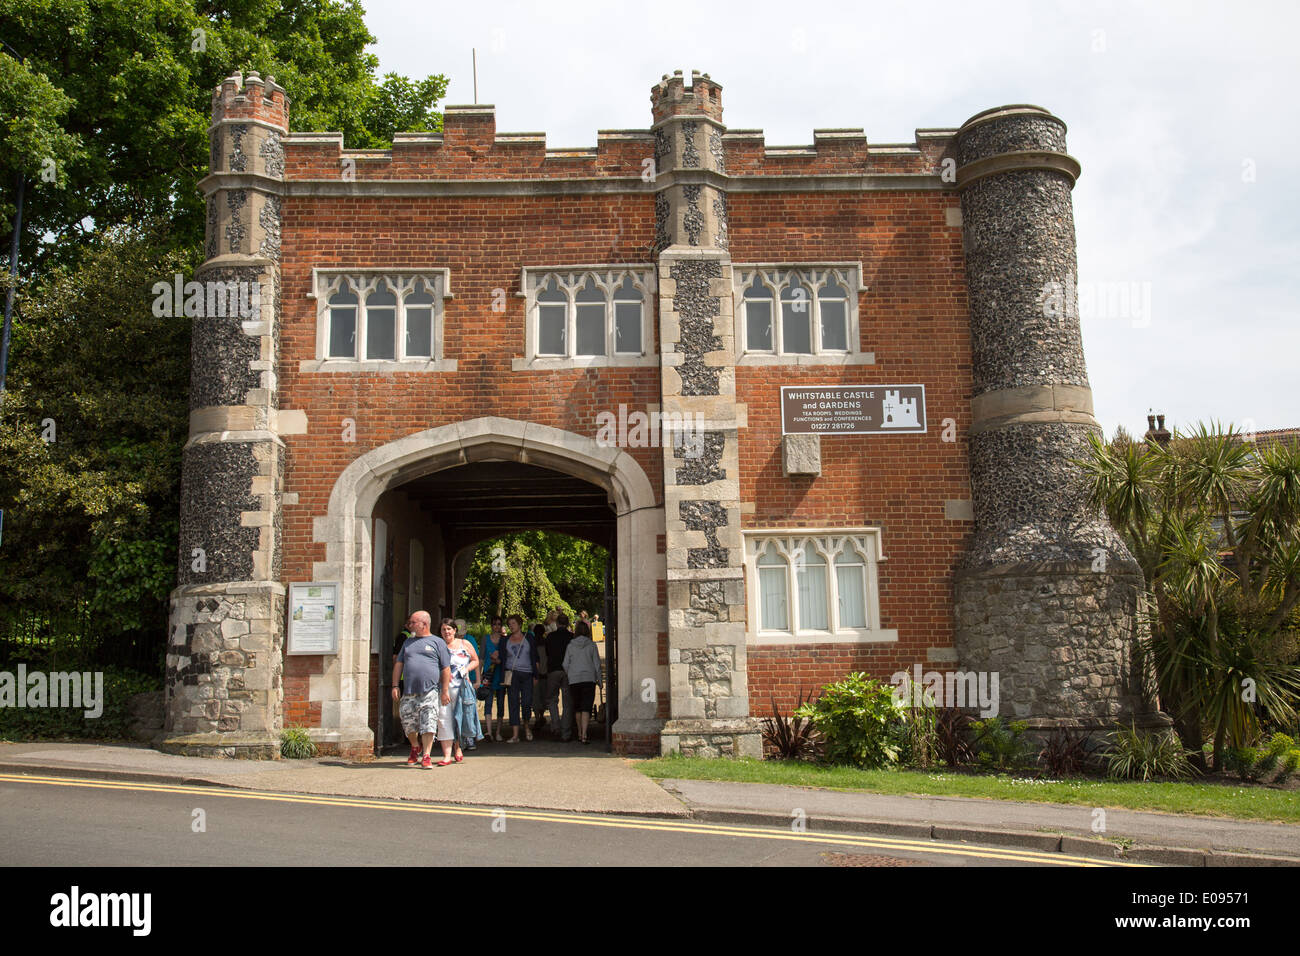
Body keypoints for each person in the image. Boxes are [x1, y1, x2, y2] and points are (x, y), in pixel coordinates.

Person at [391, 611, 452, 769]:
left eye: (413, 622)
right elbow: (399, 664)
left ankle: (426, 755)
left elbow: (446, 668)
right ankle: (414, 746)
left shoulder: (437, 642)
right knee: (408, 724)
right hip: (409, 691)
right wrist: (395, 685)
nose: (410, 625)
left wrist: (445, 691)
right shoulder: (407, 642)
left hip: (430, 691)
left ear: (424, 624)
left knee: (429, 724)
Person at [444, 619, 483, 757]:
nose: (447, 632)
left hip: (462, 686)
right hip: (444, 688)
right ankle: (451, 750)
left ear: (455, 630)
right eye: (444, 629)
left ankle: (460, 744)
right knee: (447, 719)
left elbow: (476, 660)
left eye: (449, 629)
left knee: (464, 715)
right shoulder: (440, 645)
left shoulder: (465, 643)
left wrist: (467, 671)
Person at [501, 614, 540, 743]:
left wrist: (536, 674)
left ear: (519, 624)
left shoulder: (528, 638)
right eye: (509, 624)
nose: (511, 626)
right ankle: (515, 734)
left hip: (527, 673)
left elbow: (535, 657)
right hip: (512, 674)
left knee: (527, 701)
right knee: (513, 702)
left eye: (513, 623)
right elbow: (502, 658)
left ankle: (527, 726)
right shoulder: (505, 640)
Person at [563, 621, 603, 744]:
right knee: (586, 708)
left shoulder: (570, 645)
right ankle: (585, 734)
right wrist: (600, 681)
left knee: (578, 708)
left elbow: (565, 664)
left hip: (574, 680)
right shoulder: (591, 645)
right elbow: (597, 664)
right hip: (589, 679)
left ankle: (579, 732)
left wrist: (571, 673)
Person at [543, 613, 575, 741]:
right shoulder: (571, 637)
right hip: (567, 671)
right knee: (567, 702)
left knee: (552, 699)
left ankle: (556, 725)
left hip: (553, 670)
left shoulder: (550, 637)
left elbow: (547, 653)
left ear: (556, 623)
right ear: (567, 624)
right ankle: (565, 731)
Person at [481, 616, 508, 740]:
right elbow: (481, 658)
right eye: (494, 624)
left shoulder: (504, 640)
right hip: (488, 674)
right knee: (488, 702)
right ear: (491, 625)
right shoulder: (485, 639)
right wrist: (478, 674)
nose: (496, 626)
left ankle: (498, 731)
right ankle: (489, 731)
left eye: (498, 624)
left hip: (500, 673)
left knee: (501, 703)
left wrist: (499, 660)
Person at [531, 620, 550, 730]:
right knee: (543, 696)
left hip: (534, 675)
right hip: (545, 674)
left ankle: (537, 717)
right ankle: (542, 715)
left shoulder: (531, 644)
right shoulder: (546, 643)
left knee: (535, 697)